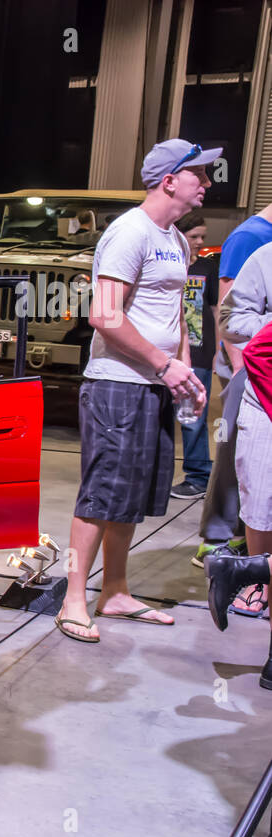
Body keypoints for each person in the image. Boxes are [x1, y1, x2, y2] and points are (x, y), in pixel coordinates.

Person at [55, 139, 218, 643]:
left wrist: (184, 371)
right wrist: (161, 364)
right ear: (170, 180)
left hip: (155, 384)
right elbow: (103, 315)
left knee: (130, 495)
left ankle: (117, 591)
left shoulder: (177, 238)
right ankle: (73, 598)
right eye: (200, 174)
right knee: (102, 493)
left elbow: (177, 314)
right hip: (118, 385)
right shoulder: (130, 232)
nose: (208, 184)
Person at [194, 201, 272, 580]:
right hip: (254, 377)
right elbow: (228, 309)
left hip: (253, 370)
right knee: (233, 458)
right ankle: (221, 542)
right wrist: (241, 368)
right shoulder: (253, 239)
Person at [217, 239, 272, 619]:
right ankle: (256, 578)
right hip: (266, 393)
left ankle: (244, 571)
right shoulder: (266, 257)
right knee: (260, 495)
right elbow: (230, 319)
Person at [170, 210, 219, 499]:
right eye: (194, 236)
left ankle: (199, 476)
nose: (200, 242)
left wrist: (217, 351)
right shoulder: (170, 265)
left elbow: (215, 310)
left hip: (199, 351)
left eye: (203, 236)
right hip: (167, 351)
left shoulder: (207, 268)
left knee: (192, 417)